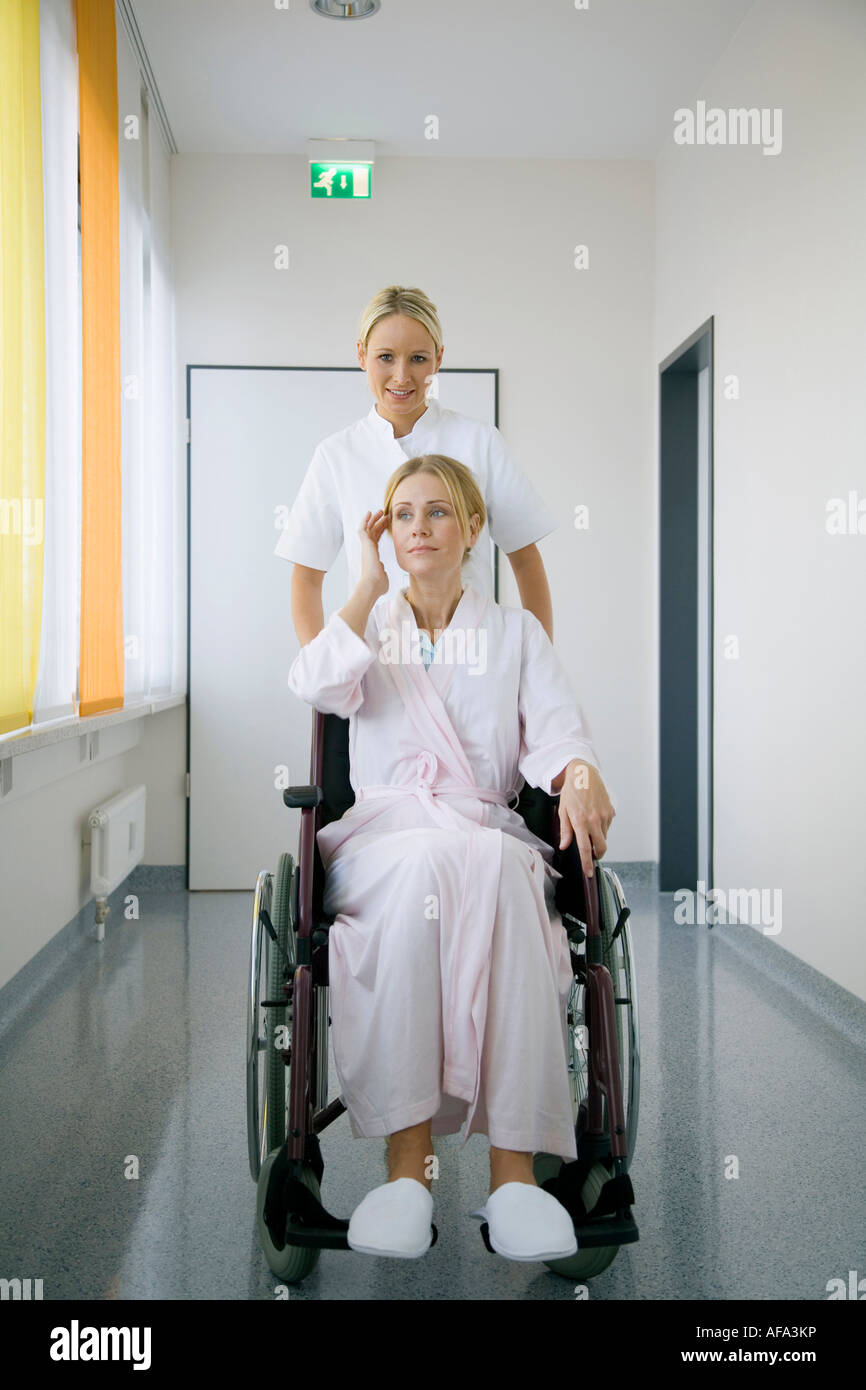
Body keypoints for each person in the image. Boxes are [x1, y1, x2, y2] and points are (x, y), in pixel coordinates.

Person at [287, 453, 616, 1263]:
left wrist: (577, 772)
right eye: (403, 515)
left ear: (472, 529)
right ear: (385, 534)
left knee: (505, 876)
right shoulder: (371, 623)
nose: (420, 528)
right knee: (427, 871)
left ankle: (515, 1178)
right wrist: (361, 585)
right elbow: (315, 684)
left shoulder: (513, 632)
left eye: (438, 512)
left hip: (482, 831)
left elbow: (558, 730)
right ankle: (408, 1172)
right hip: (388, 841)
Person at [276, 284, 558, 644]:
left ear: (438, 359)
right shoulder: (336, 455)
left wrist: (536, 665)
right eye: (386, 357)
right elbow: (306, 577)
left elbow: (525, 559)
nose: (402, 376)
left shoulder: (479, 441)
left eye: (418, 358)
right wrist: (322, 676)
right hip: (377, 668)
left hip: (473, 659)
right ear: (361, 355)